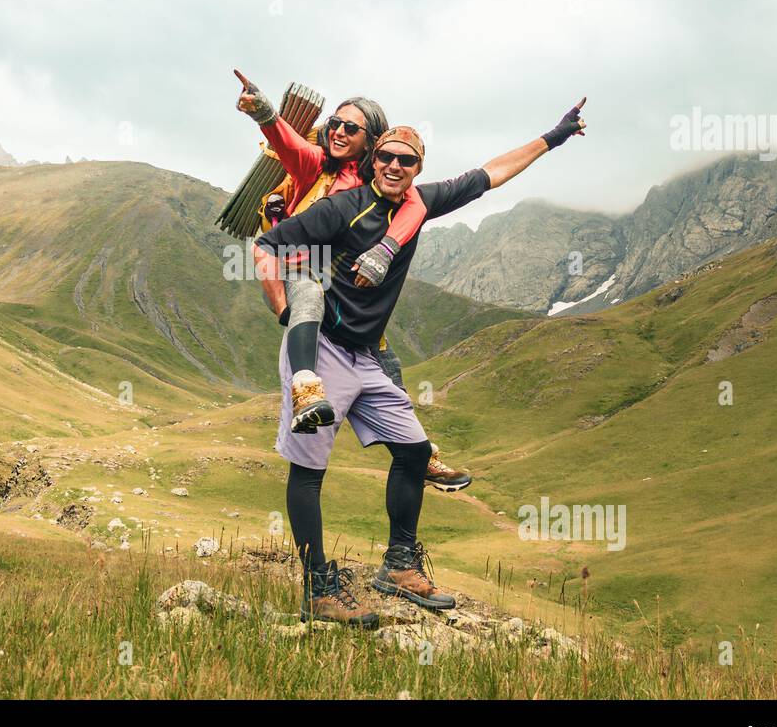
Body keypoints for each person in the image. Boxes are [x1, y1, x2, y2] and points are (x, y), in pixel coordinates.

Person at [252, 100, 588, 626]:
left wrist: (555, 136)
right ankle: (317, 588)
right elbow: (271, 241)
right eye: (385, 157)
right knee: (309, 471)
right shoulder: (342, 208)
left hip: (369, 357)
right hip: (324, 352)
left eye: (405, 161)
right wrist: (290, 300)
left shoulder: (422, 203)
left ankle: (399, 566)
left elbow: (492, 173)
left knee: (413, 452)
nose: (393, 166)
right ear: (372, 159)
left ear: (417, 170)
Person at [235, 72, 471, 492]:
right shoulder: (317, 164)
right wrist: (265, 113)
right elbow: (288, 144)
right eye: (334, 125)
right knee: (306, 303)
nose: (338, 132)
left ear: (372, 142)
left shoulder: (380, 183)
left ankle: (421, 451)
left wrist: (386, 249)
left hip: (340, 287)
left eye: (351, 128)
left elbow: (416, 203)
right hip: (299, 269)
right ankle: (306, 384)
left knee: (385, 359)